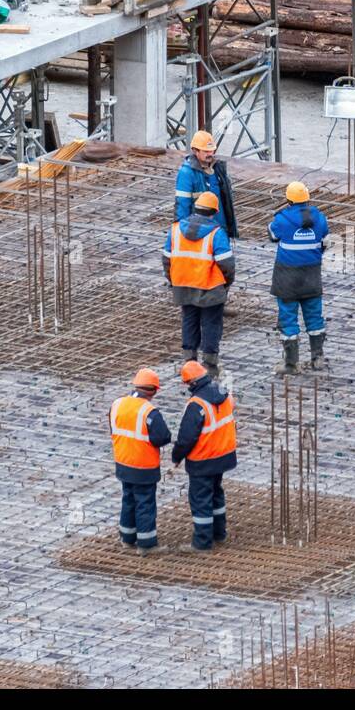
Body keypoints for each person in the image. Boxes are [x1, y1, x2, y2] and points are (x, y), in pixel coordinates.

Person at [163, 191, 234, 377]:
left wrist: (173, 281)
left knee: (189, 321)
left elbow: (166, 259)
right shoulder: (216, 233)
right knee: (211, 324)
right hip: (209, 287)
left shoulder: (176, 229)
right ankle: (210, 365)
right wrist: (226, 284)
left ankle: (189, 362)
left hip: (183, 285)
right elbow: (226, 264)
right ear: (214, 212)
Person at [170, 360, 237, 552]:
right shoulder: (224, 395)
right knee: (216, 493)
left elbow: (186, 438)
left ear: (191, 383)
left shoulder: (196, 404)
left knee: (201, 500)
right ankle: (219, 533)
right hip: (223, 456)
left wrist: (176, 457)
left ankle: (202, 542)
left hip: (203, 460)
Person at [109, 368, 172, 555]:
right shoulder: (149, 411)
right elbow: (162, 437)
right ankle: (146, 544)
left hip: (122, 463)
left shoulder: (117, 404)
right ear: (153, 390)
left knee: (128, 499)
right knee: (145, 503)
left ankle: (127, 538)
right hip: (143, 466)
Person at [268, 182, 329, 374]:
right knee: (314, 316)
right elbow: (325, 241)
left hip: (287, 277)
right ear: (307, 198)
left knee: (288, 318)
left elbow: (272, 234)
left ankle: (291, 364)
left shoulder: (282, 219)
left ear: (288, 200)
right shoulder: (320, 218)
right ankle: (317, 358)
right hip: (311, 275)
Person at [175, 130, 239, 238]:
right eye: (206, 151)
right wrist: (182, 234)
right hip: (200, 232)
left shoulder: (218, 169)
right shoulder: (187, 173)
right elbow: (182, 206)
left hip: (220, 230)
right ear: (195, 151)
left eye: (212, 150)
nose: (210, 154)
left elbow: (226, 201)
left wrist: (230, 229)